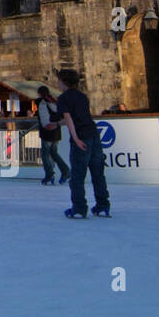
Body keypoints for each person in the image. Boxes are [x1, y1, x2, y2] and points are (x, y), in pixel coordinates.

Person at [57, 68, 109, 218]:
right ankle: (103, 205)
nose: (57, 83)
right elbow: (79, 116)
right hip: (93, 135)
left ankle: (79, 208)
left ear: (64, 82)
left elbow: (69, 119)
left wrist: (76, 138)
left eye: (59, 80)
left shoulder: (63, 98)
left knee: (78, 176)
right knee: (98, 174)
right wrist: (58, 124)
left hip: (81, 137)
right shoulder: (82, 96)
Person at [36, 86, 70, 186]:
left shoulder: (42, 102)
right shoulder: (55, 101)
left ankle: (49, 174)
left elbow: (44, 117)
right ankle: (65, 170)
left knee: (45, 154)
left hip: (48, 130)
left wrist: (47, 125)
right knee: (54, 152)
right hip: (56, 129)